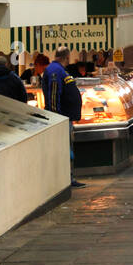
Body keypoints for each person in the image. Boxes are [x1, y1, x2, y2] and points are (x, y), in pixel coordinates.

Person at [43, 47, 84, 188]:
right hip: (62, 118)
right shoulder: (55, 70)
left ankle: (69, 177)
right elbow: (54, 94)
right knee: (65, 149)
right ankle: (67, 178)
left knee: (67, 148)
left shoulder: (58, 69)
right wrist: (57, 116)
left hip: (65, 117)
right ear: (66, 57)